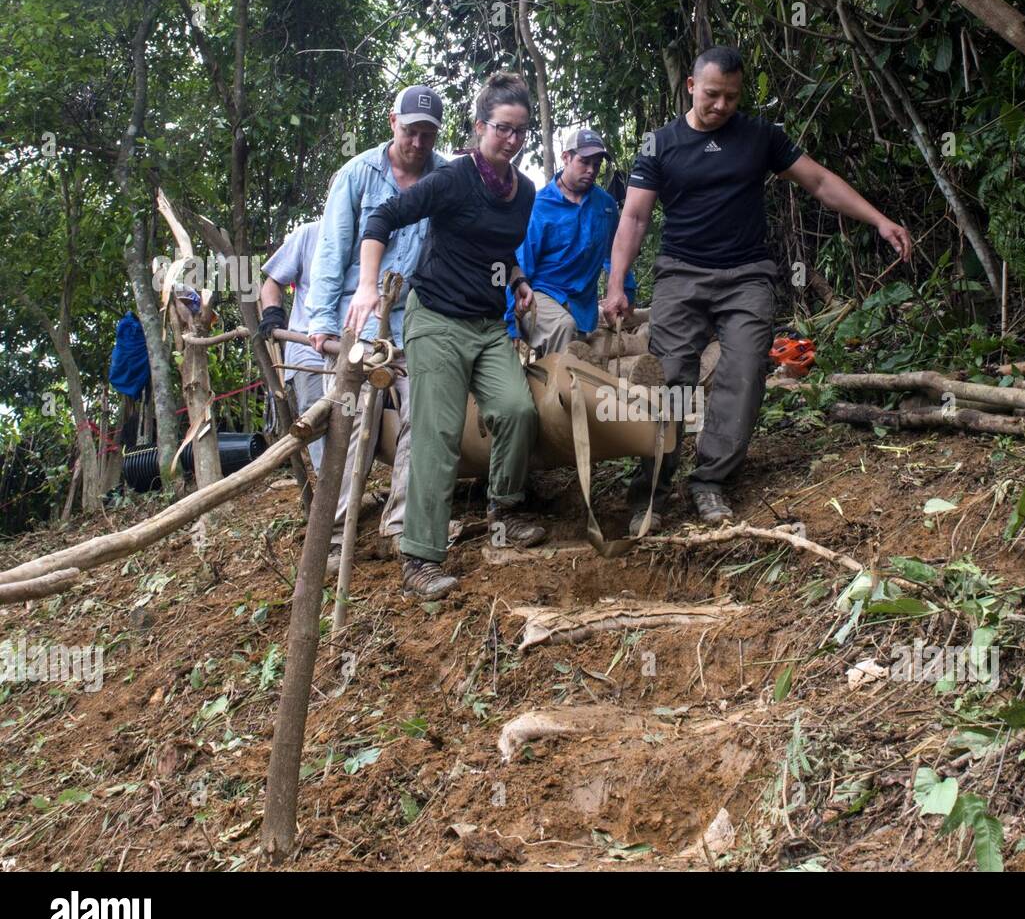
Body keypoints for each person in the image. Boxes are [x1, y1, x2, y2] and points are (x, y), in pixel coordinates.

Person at [602, 45, 914, 534]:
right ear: (690, 86)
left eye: (732, 97)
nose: (722, 106)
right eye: (711, 95)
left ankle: (710, 481)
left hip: (747, 274)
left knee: (745, 372)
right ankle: (652, 490)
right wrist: (616, 283)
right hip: (681, 274)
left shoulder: (760, 136)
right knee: (672, 376)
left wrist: (878, 219)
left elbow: (819, 181)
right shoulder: (657, 144)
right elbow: (636, 216)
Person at [355, 72, 545, 600]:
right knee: (436, 435)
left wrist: (520, 280)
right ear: (480, 126)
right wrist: (367, 286)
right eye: (503, 129)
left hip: (487, 325)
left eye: (521, 130)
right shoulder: (453, 179)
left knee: (517, 410)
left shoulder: (524, 191)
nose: (512, 139)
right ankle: (419, 558)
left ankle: (503, 514)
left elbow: (500, 250)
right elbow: (383, 216)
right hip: (435, 319)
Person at [305, 85, 449, 571]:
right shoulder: (357, 175)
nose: (417, 144)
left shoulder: (445, 175)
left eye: (428, 135)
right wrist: (323, 321)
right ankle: (332, 534)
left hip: (418, 318)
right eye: (411, 132)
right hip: (359, 314)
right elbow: (331, 249)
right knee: (348, 418)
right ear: (393, 122)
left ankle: (400, 526)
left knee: (422, 414)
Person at [505, 127, 634, 354]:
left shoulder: (605, 205)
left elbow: (616, 254)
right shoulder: (539, 205)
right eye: (584, 162)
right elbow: (519, 267)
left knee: (579, 348)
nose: (591, 170)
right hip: (540, 295)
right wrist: (509, 324)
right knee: (564, 328)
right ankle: (560, 389)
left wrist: (626, 292)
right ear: (566, 157)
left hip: (581, 305)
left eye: (597, 164)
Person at [259, 220, 325, 470]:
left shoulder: (371, 231)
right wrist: (273, 312)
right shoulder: (309, 234)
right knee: (317, 414)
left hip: (354, 349)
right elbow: (272, 282)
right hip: (308, 346)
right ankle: (330, 491)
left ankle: (349, 491)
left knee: (353, 416)